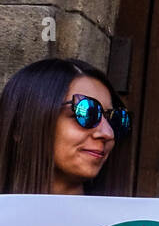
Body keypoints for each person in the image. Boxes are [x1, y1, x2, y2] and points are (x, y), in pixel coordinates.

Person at [0, 57, 130, 195]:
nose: (108, 133)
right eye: (86, 113)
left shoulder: (132, 216)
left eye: (115, 119)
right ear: (22, 125)